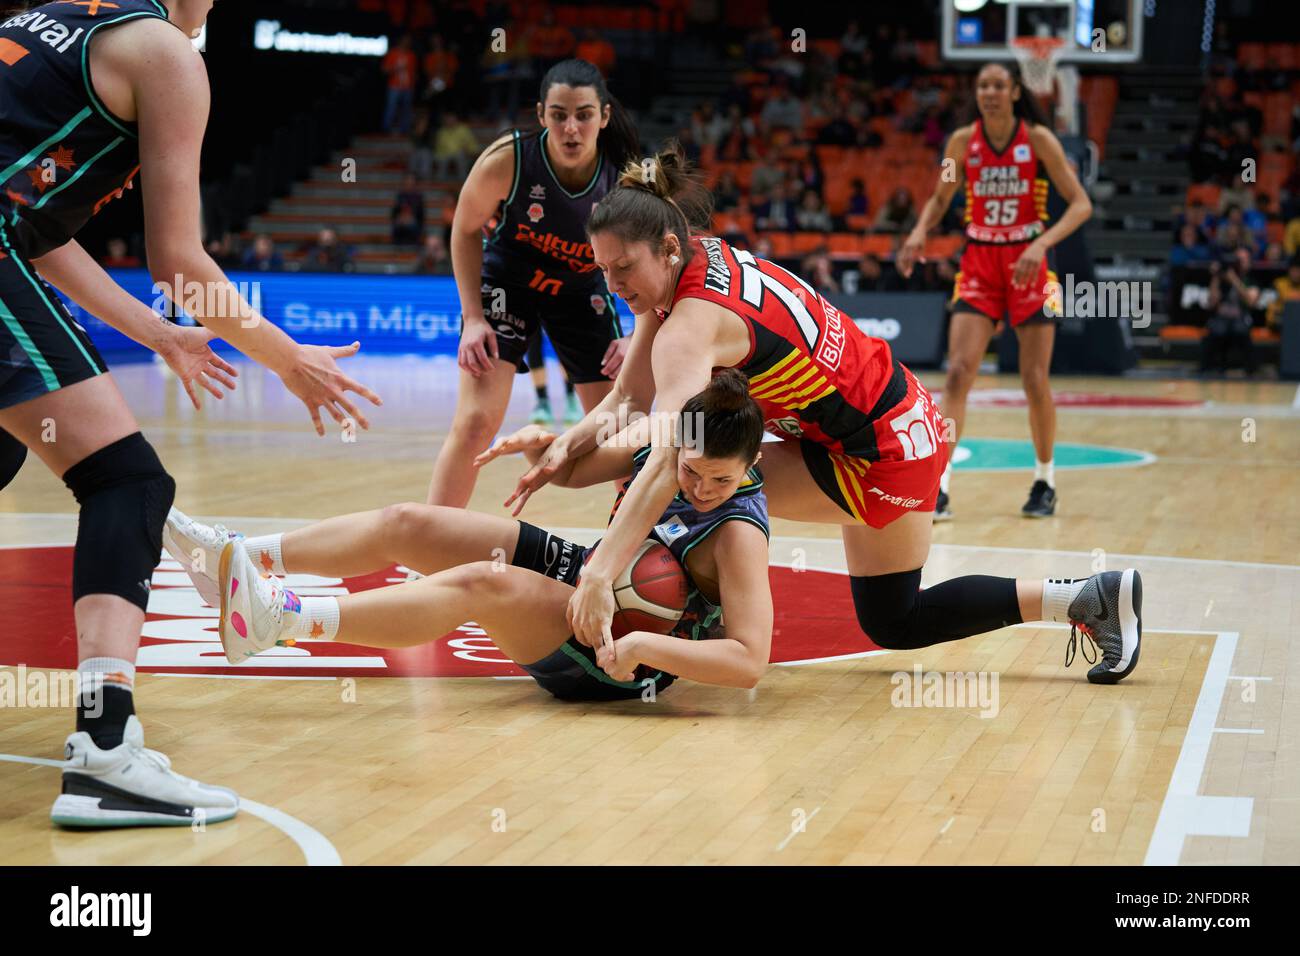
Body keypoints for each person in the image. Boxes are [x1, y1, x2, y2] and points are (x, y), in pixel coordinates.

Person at [506, 144, 1142, 693]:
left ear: (667, 248)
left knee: (697, 481)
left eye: (624, 269)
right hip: (886, 413)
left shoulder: (687, 326)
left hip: (880, 447)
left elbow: (671, 454)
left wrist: (598, 573)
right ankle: (1087, 597)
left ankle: (710, 632)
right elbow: (625, 402)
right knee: (891, 618)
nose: (615, 284)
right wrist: (566, 443)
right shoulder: (686, 263)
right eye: (604, 270)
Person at [0, 0, 380, 829]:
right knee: (128, 484)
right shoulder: (167, 53)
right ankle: (105, 751)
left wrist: (157, 334)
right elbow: (179, 258)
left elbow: (37, 234)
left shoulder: (55, 18)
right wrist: (290, 359)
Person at [165, 371, 773, 700]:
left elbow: (749, 662)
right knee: (411, 522)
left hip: (620, 649)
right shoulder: (668, 445)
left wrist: (645, 652)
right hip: (595, 575)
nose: (697, 487)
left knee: (483, 584)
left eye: (716, 478)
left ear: (748, 462)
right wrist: (549, 446)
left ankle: (279, 620)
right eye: (688, 470)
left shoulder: (738, 531)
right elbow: (581, 471)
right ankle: (232, 557)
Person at [426, 58, 639, 509]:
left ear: (603, 116)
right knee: (477, 421)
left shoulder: (628, 176)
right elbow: (465, 229)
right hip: (508, 283)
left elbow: (664, 256)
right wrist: (472, 318)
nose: (571, 128)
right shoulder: (509, 159)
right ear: (541, 115)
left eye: (583, 114)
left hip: (583, 290)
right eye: (559, 115)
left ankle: (639, 549)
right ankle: (431, 539)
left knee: (618, 431)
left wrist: (641, 331)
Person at [898, 62, 1093, 521]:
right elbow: (942, 197)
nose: (989, 92)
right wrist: (918, 232)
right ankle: (939, 484)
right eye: (982, 84)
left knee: (1034, 379)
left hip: (1030, 263)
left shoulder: (1039, 140)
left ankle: (1045, 481)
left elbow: (1081, 204)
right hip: (980, 262)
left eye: (998, 85)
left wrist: (1042, 243)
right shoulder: (961, 142)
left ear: (1014, 91)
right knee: (958, 373)